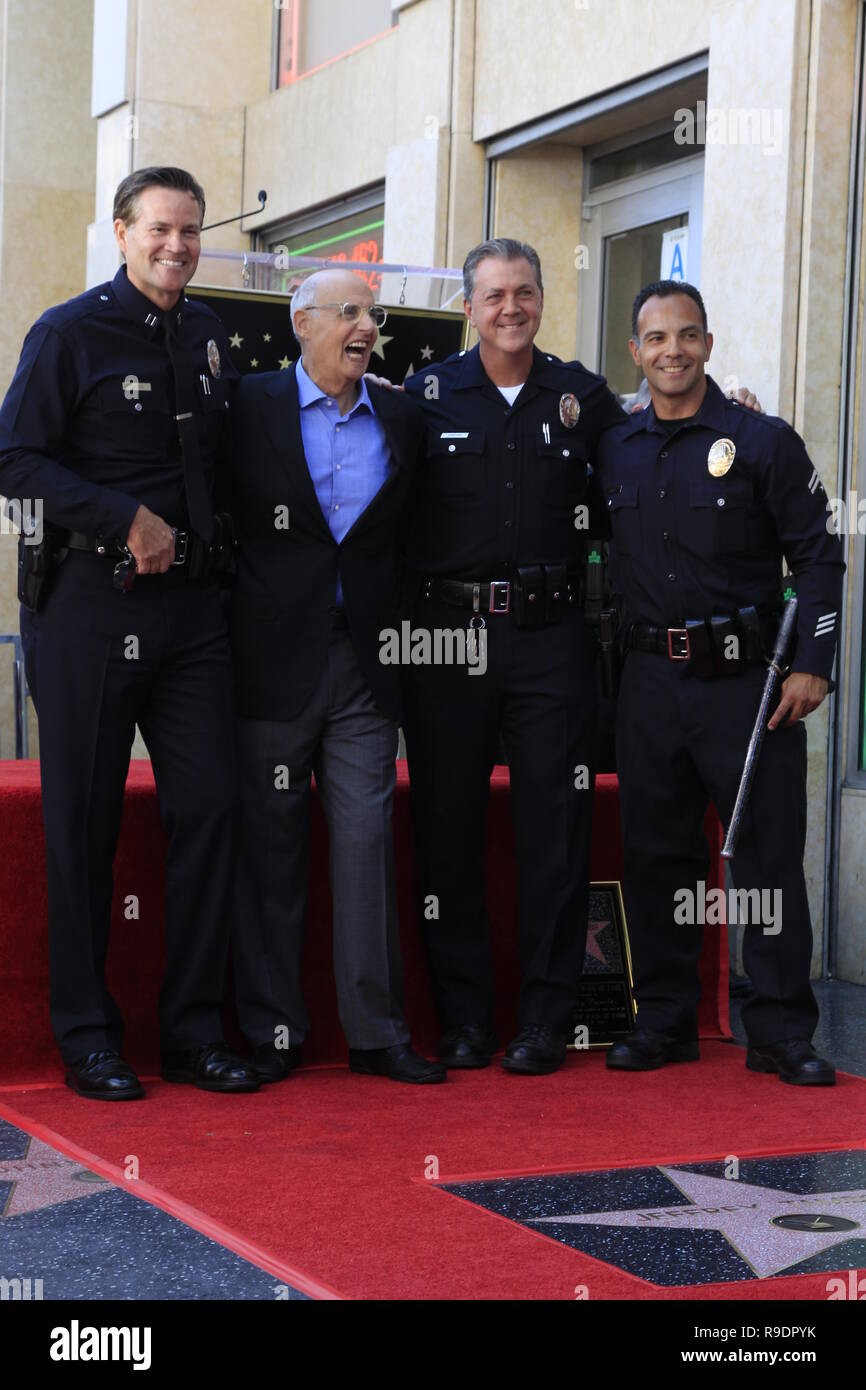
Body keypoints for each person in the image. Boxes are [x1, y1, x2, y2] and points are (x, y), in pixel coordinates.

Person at [0, 167, 259, 1099]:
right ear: (121, 232)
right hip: (89, 607)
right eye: (158, 229)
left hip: (193, 614)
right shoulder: (68, 333)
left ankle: (193, 1031)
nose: (176, 246)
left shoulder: (211, 333)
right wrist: (123, 519)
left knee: (213, 809)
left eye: (190, 231)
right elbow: (12, 459)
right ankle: (88, 1039)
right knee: (83, 824)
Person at [599, 279, 843, 1085]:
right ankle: (664, 1022)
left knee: (767, 859)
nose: (672, 350)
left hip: (749, 684)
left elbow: (820, 558)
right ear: (635, 351)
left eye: (687, 335)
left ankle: (780, 1031)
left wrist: (813, 662)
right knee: (656, 856)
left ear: (708, 343)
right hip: (647, 682)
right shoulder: (615, 445)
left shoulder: (763, 441)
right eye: (656, 338)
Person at [400, 239, 625, 1074]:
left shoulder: (583, 397)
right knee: (447, 828)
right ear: (468, 308)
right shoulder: (424, 396)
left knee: (555, 832)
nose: (511, 308)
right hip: (447, 640)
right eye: (494, 295)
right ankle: (463, 1019)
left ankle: (545, 1021)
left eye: (524, 292)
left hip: (550, 638)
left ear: (541, 300)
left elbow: (640, 473)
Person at [228, 268, 445, 1085]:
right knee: (270, 851)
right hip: (270, 661)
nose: (365, 327)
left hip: (366, 666)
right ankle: (273, 1033)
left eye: (372, 314)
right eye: (347, 312)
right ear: (302, 323)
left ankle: (377, 1034)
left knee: (364, 845)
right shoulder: (247, 405)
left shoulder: (400, 413)